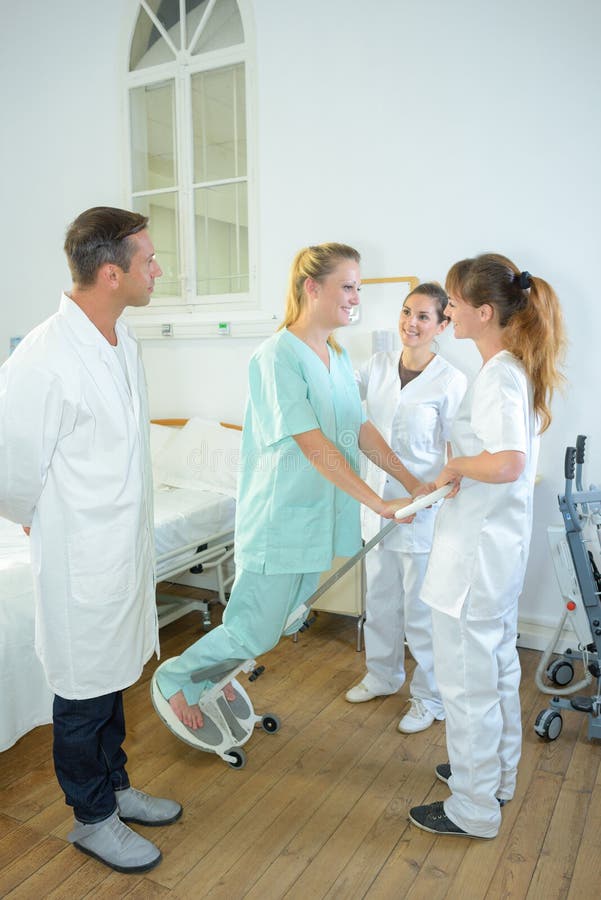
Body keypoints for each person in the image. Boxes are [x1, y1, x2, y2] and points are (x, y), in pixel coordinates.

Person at [154, 243, 422, 728]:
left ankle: (209, 678)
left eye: (358, 288)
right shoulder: (276, 356)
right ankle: (176, 678)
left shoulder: (336, 356)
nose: (355, 297)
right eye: (347, 286)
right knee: (252, 628)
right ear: (311, 287)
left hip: (312, 522)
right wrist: (380, 502)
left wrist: (412, 481)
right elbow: (313, 444)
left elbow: (359, 428)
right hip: (279, 522)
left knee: (276, 624)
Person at [0, 207, 182, 874]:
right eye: (149, 259)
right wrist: (33, 513)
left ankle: (117, 788)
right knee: (81, 693)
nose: (157, 269)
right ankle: (91, 818)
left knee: (110, 684)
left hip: (119, 546)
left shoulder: (120, 340)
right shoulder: (42, 357)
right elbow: (12, 471)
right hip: (79, 553)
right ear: (112, 273)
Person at [408, 253, 565, 839]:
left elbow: (507, 463)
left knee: (467, 683)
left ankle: (473, 809)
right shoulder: (507, 370)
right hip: (491, 555)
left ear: (482, 311)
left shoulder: (500, 372)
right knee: (494, 670)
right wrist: (462, 472)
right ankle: (493, 778)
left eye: (450, 303)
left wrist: (455, 467)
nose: (445, 311)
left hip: (474, 562)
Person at [345, 283, 467, 733]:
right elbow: (341, 402)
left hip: (422, 512)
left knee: (420, 613)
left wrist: (435, 489)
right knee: (378, 601)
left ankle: (429, 697)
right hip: (378, 505)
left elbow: (457, 452)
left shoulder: (451, 381)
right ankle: (382, 675)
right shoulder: (374, 367)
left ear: (442, 325)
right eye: (406, 313)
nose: (410, 324)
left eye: (423, 317)